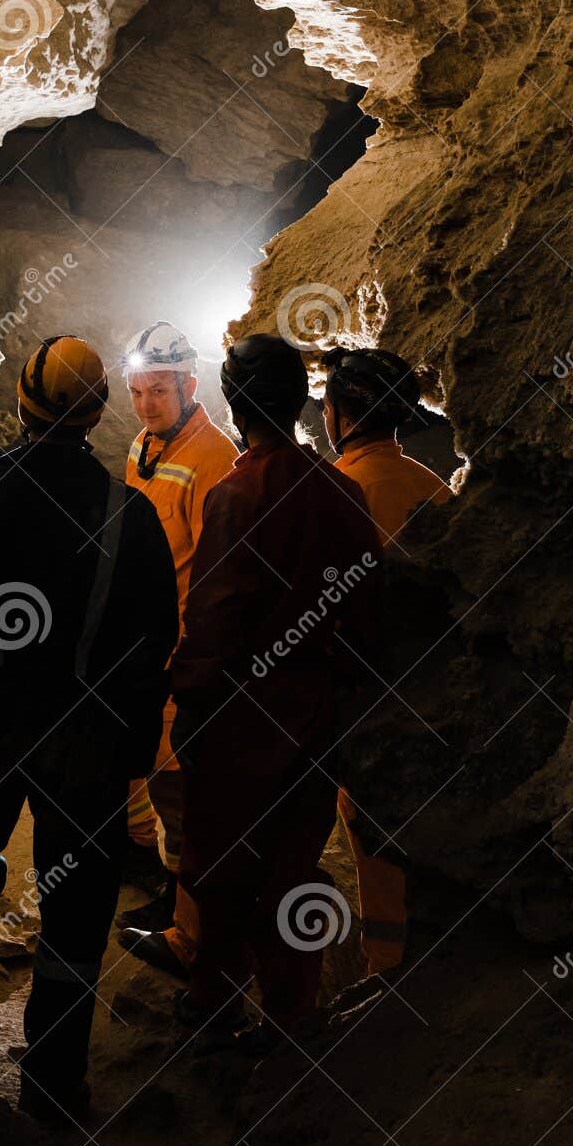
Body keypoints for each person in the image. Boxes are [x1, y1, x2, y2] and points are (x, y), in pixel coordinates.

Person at [0, 335, 178, 1123]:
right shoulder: (128, 514)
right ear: (98, 412)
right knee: (76, 910)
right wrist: (126, 750)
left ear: (21, 403)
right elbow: (152, 645)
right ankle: (52, 1080)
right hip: (82, 737)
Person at [169, 335, 381, 1048]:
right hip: (315, 714)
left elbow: (215, 616)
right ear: (299, 403)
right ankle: (291, 1016)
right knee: (294, 864)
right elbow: (363, 613)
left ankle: (215, 1000)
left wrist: (189, 702)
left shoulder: (237, 495)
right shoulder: (341, 492)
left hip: (239, 717)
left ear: (234, 404)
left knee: (221, 863)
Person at [323, 346, 452, 976]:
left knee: (369, 826)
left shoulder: (337, 491)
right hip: (431, 685)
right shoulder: (430, 486)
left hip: (361, 691)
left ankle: (384, 964)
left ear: (342, 414)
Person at [116, 321, 238, 981]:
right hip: (143, 648)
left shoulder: (213, 458)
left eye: (158, 391)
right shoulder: (143, 446)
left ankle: (189, 920)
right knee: (153, 778)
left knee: (180, 790)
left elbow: (214, 576)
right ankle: (169, 888)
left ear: (190, 385)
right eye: (136, 392)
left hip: (181, 655)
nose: (145, 405)